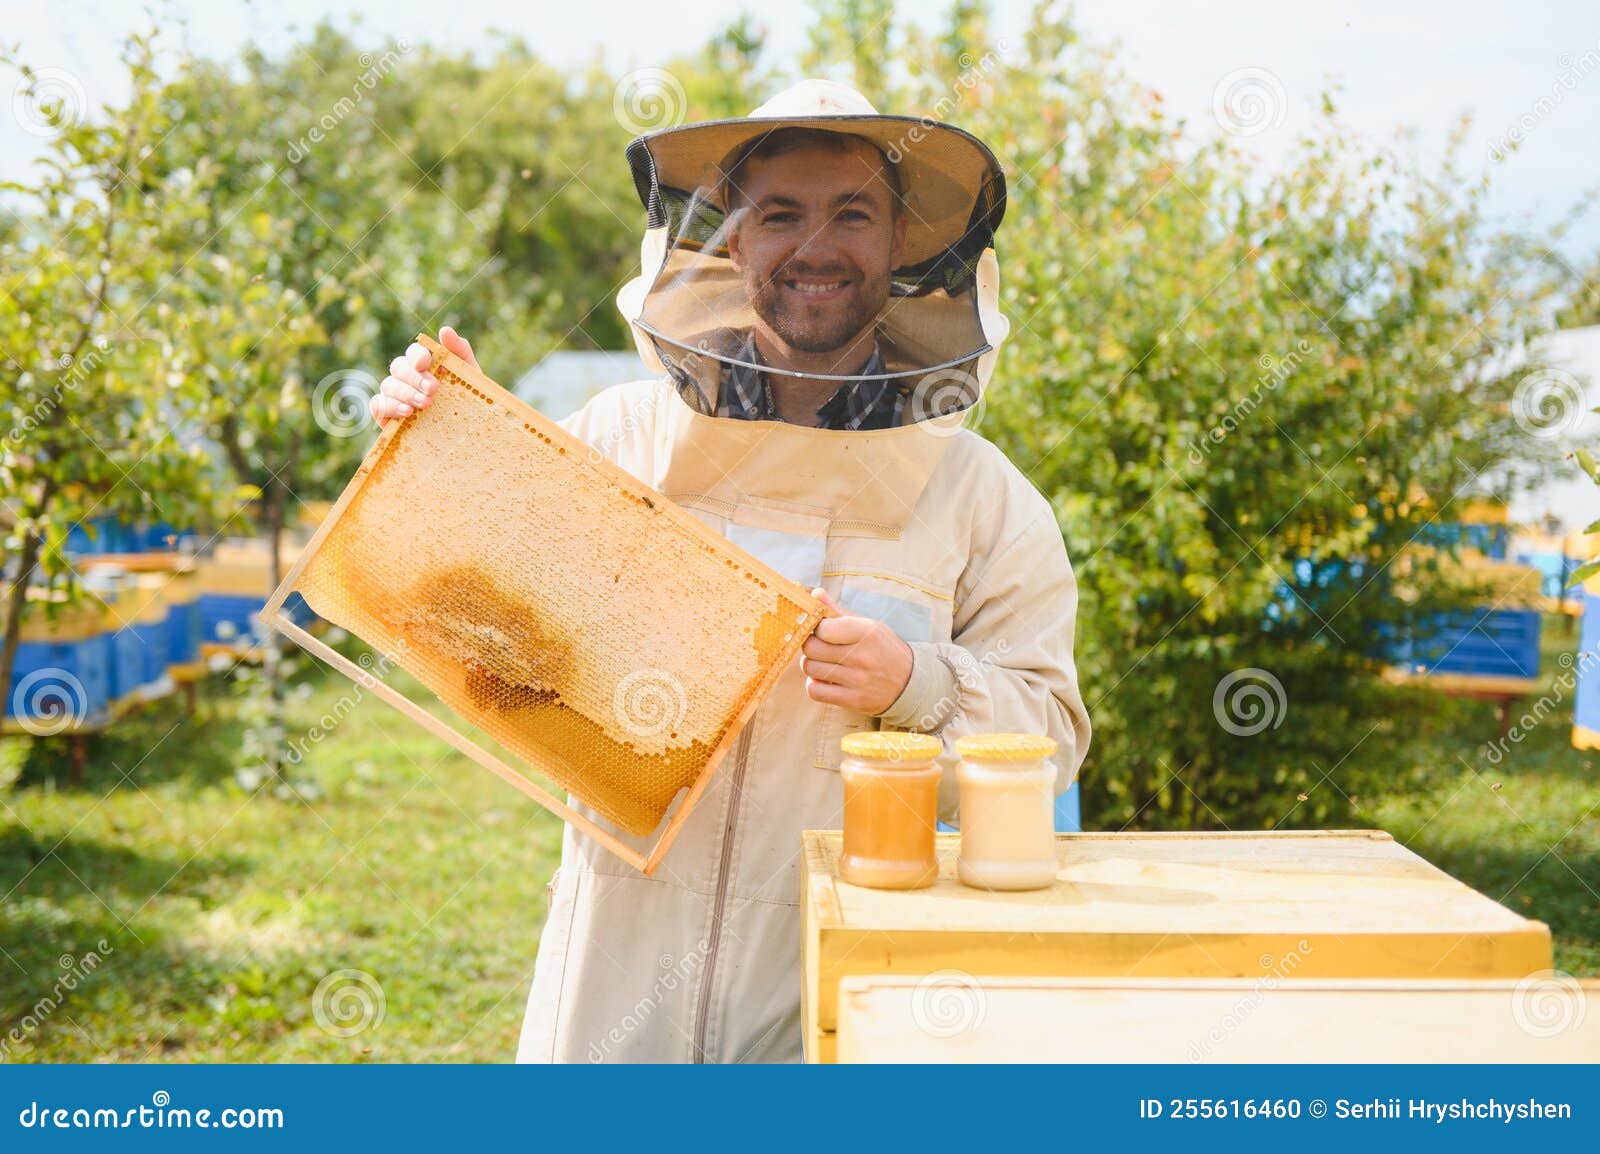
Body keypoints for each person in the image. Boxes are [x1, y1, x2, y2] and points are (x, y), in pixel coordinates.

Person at [368, 79, 1091, 1063]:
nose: (816, 246)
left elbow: (1050, 743)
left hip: (841, 994)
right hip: (613, 989)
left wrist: (915, 683)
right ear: (732, 239)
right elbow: (475, 624)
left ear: (900, 241)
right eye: (779, 214)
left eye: (852, 214)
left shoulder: (981, 497)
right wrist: (443, 434)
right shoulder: (619, 439)